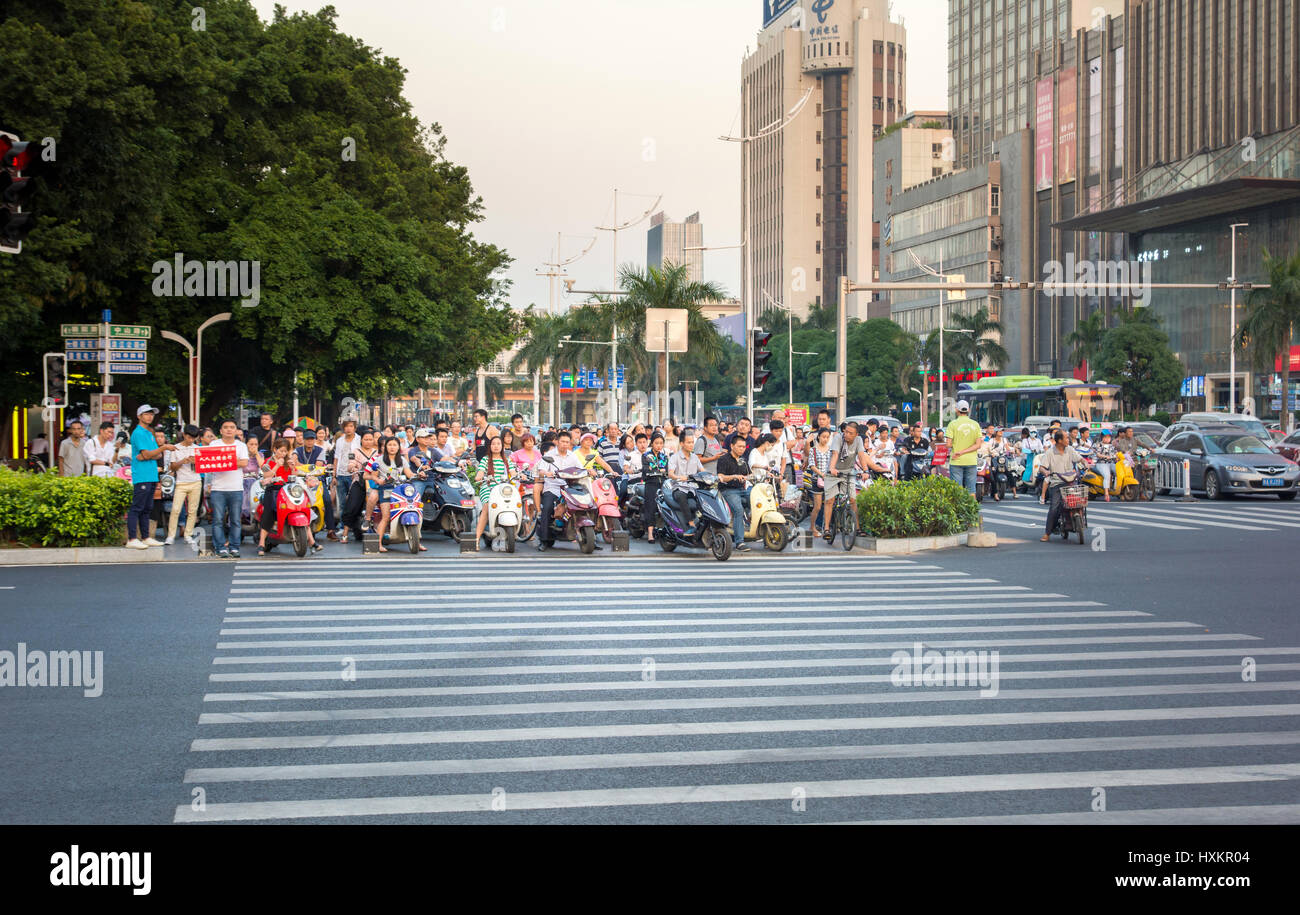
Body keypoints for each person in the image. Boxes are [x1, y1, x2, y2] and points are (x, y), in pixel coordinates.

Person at [257, 438, 324, 555]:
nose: (283, 454)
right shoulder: (268, 461)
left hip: (289, 490)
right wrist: (277, 466)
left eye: (285, 451)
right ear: (275, 449)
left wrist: (293, 468)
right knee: (270, 513)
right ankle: (261, 543)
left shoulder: (288, 461)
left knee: (303, 509)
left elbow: (295, 475)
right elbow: (266, 475)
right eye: (281, 451)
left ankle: (311, 541)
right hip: (273, 490)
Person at [125, 405, 174, 549]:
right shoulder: (138, 433)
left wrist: (150, 454)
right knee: (137, 507)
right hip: (142, 475)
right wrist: (162, 448)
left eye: (151, 414)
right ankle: (132, 538)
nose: (150, 416)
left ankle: (146, 537)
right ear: (139, 416)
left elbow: (153, 454)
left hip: (151, 474)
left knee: (147, 508)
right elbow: (148, 454)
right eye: (146, 414)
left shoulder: (148, 433)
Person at [819, 422, 870, 541]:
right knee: (830, 500)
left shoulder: (858, 440)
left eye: (850, 433)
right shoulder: (838, 438)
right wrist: (832, 468)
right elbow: (835, 454)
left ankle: (857, 528)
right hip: (833, 472)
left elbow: (862, 455)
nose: (846, 434)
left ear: (856, 434)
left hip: (848, 472)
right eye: (845, 431)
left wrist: (865, 470)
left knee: (852, 500)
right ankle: (826, 528)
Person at [208, 419, 251, 558]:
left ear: (236, 430)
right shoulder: (214, 444)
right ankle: (220, 547)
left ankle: (234, 547)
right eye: (225, 427)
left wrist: (224, 460)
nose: (229, 429)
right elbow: (208, 461)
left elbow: (244, 462)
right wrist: (232, 461)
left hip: (236, 488)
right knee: (218, 520)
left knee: (235, 520)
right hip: (217, 488)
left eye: (232, 427)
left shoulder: (241, 446)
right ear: (220, 431)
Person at [536, 431, 582, 552]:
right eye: (562, 441)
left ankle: (588, 536)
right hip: (553, 487)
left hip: (568, 487)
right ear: (557, 441)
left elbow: (580, 468)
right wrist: (547, 473)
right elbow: (541, 470)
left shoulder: (572, 455)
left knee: (584, 505)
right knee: (547, 508)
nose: (565, 444)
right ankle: (544, 540)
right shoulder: (550, 455)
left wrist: (589, 471)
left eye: (567, 442)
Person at [1038, 429, 1084, 542]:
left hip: (1071, 481)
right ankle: (1047, 533)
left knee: (1079, 502)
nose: (1068, 440)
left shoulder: (1070, 449)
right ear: (1059, 440)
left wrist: (1086, 463)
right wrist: (1046, 472)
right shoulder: (1050, 452)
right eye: (1066, 438)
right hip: (1056, 483)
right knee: (1054, 508)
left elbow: (1080, 458)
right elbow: (1041, 467)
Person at [470, 434, 514, 547]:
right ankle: (476, 539)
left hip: (504, 489)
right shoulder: (485, 459)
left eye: (498, 444)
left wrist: (520, 475)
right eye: (493, 444)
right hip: (488, 486)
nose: (496, 446)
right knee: (487, 507)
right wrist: (479, 476)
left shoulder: (507, 460)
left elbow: (513, 473)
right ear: (489, 447)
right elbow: (479, 473)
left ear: (502, 446)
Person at [165, 424, 203, 544]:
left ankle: (188, 534)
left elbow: (202, 468)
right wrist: (184, 461)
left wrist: (195, 462)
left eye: (194, 438)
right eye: (189, 437)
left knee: (192, 511)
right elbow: (173, 467)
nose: (191, 440)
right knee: (175, 509)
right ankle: (170, 535)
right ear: (184, 435)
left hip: (196, 482)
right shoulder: (175, 448)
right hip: (181, 483)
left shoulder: (197, 448)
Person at [716, 435, 752, 551]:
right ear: (732, 446)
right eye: (739, 446)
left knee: (758, 501)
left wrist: (751, 477)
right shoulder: (723, 459)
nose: (742, 449)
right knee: (738, 510)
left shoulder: (743, 460)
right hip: (728, 490)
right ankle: (739, 542)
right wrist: (734, 477)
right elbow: (721, 477)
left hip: (742, 489)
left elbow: (749, 474)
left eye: (744, 447)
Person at [944, 400, 982, 495]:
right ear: (968, 410)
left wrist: (958, 449)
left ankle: (958, 510)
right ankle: (972, 509)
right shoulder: (975, 424)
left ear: (957, 410)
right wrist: (965, 451)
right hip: (971, 461)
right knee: (971, 490)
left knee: (957, 490)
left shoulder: (952, 424)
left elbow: (948, 444)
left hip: (956, 461)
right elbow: (978, 445)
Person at [666, 429, 705, 524]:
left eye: (692, 442)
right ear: (682, 443)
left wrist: (711, 477)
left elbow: (703, 471)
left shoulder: (695, 457)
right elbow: (670, 474)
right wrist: (679, 477)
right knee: (681, 496)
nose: (692, 445)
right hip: (679, 487)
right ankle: (690, 523)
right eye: (689, 442)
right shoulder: (674, 457)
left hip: (693, 488)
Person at [332, 419, 360, 535]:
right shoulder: (339, 441)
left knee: (353, 502)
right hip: (341, 474)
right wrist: (334, 475)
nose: (348, 428)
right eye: (346, 426)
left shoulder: (359, 440)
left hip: (354, 475)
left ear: (354, 428)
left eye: (351, 426)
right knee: (342, 503)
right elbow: (336, 457)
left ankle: (354, 526)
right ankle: (343, 526)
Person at [641, 433, 669, 543]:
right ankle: (650, 534)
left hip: (663, 485)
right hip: (651, 484)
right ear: (652, 443)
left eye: (661, 443)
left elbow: (667, 470)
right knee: (651, 508)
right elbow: (646, 470)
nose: (659, 445)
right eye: (656, 443)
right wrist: (658, 471)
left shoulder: (664, 456)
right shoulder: (646, 456)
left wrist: (662, 471)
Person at [1093, 431, 1118, 501]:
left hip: (1111, 463)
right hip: (1101, 463)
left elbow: (1116, 454)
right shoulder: (1097, 445)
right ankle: (1106, 493)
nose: (1107, 439)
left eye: (1109, 437)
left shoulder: (1112, 446)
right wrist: (1106, 456)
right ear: (1102, 437)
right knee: (1107, 475)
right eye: (1105, 437)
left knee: (1118, 472)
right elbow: (1098, 454)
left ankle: (1115, 488)